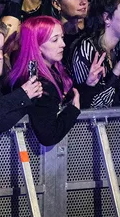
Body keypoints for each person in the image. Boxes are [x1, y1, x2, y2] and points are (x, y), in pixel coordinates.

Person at [6, 16, 81, 146]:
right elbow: (48, 136)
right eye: (55, 40)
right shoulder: (40, 85)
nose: (63, 44)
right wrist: (73, 110)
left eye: (62, 37)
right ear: (37, 46)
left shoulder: (52, 72)